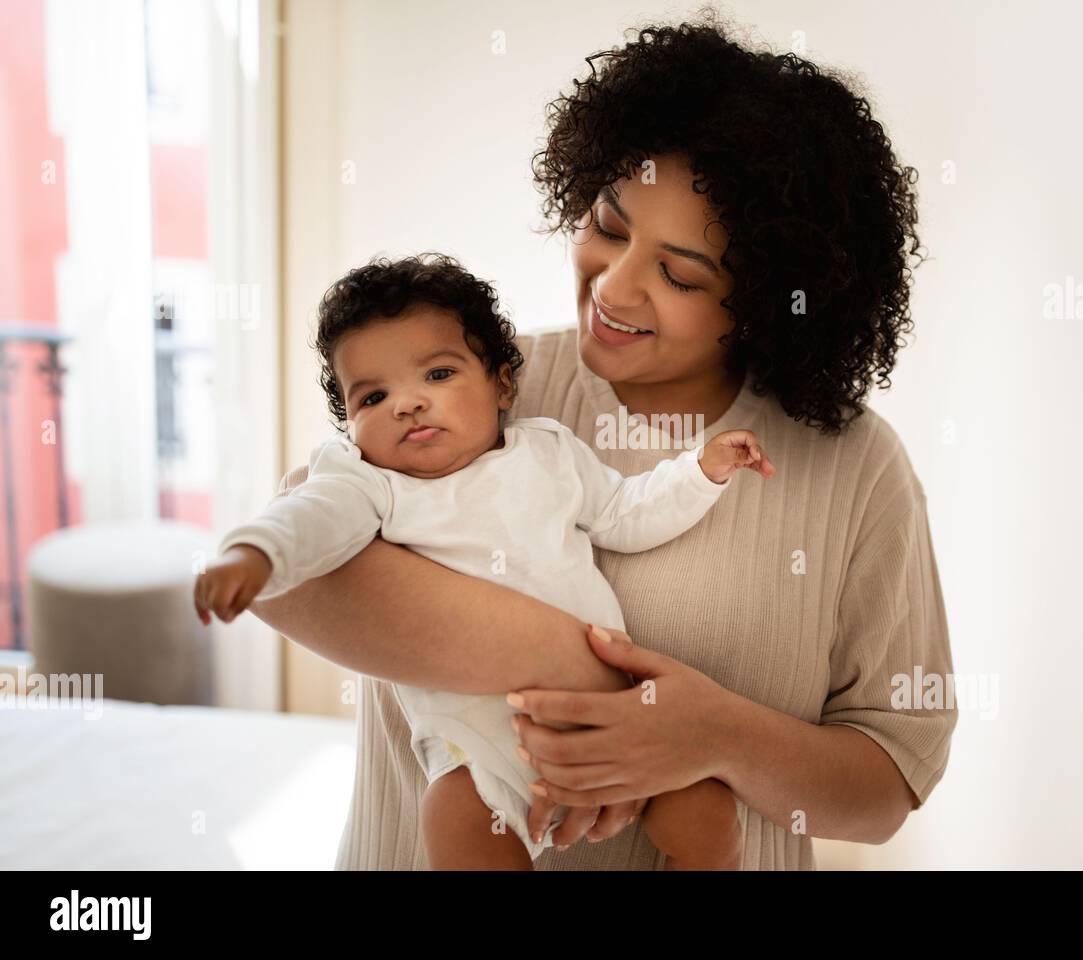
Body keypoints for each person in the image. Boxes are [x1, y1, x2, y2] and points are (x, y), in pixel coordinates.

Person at [250, 9, 957, 870]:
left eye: (679, 274)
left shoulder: (854, 467)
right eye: (611, 228)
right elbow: (286, 575)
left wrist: (713, 736)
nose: (614, 289)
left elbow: (886, 786)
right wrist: (585, 674)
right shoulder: (470, 388)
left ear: (769, 302)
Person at [196, 253, 773, 869]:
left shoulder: (546, 451)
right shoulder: (368, 483)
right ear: (350, 425)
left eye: (439, 374)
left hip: (619, 718)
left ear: (501, 384)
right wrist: (254, 552)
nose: (407, 404)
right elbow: (313, 518)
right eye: (373, 396)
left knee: (703, 809)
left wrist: (700, 471)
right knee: (454, 820)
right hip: (478, 746)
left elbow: (625, 512)